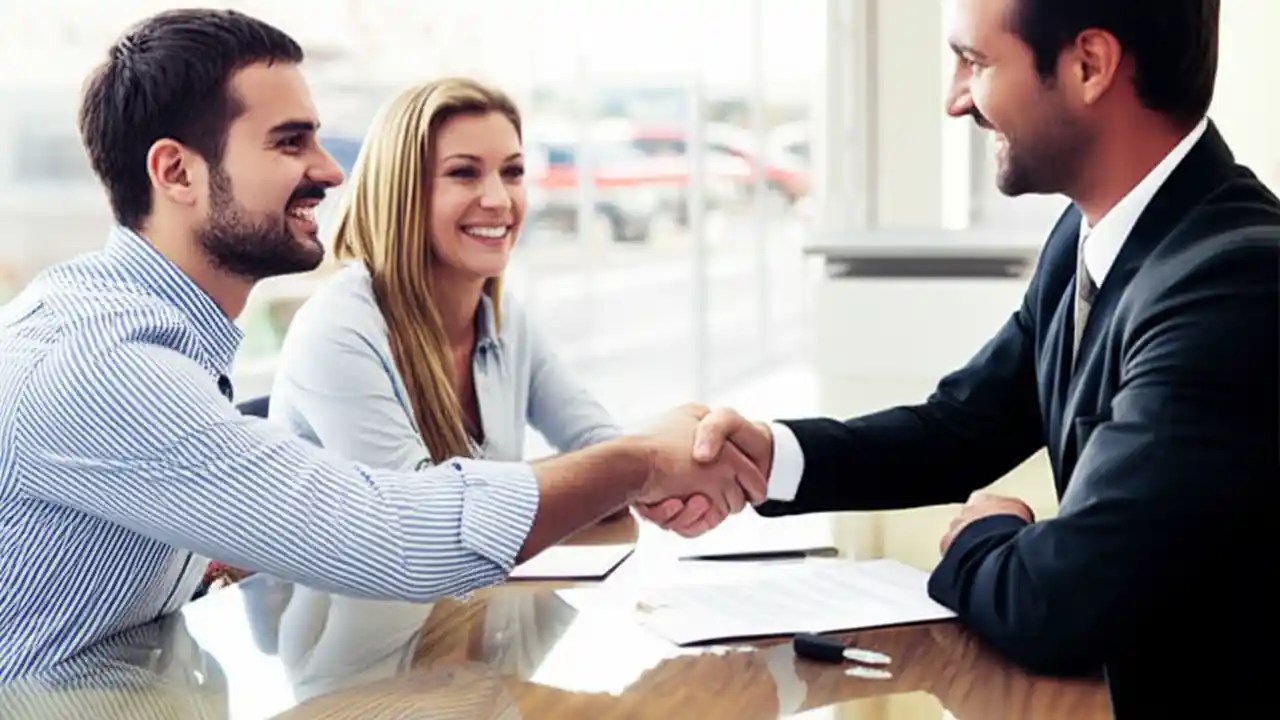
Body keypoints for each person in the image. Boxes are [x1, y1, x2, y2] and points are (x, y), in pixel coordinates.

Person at [0, 9, 759, 682]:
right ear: (177, 173)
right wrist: (642, 461)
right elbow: (398, 540)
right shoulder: (101, 366)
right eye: (290, 142)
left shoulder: (161, 341)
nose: (331, 170)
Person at [648, 0, 1277, 713]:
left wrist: (984, 533)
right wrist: (766, 458)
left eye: (975, 62)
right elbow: (962, 426)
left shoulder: (1235, 285)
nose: (954, 101)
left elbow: (1060, 602)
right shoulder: (1095, 235)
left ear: (1089, 66)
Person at [268, 78, 623, 505]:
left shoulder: (502, 317)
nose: (499, 199)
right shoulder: (338, 331)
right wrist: (637, 467)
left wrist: (675, 461)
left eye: (512, 172)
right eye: (464, 173)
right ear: (401, 192)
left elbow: (598, 443)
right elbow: (427, 516)